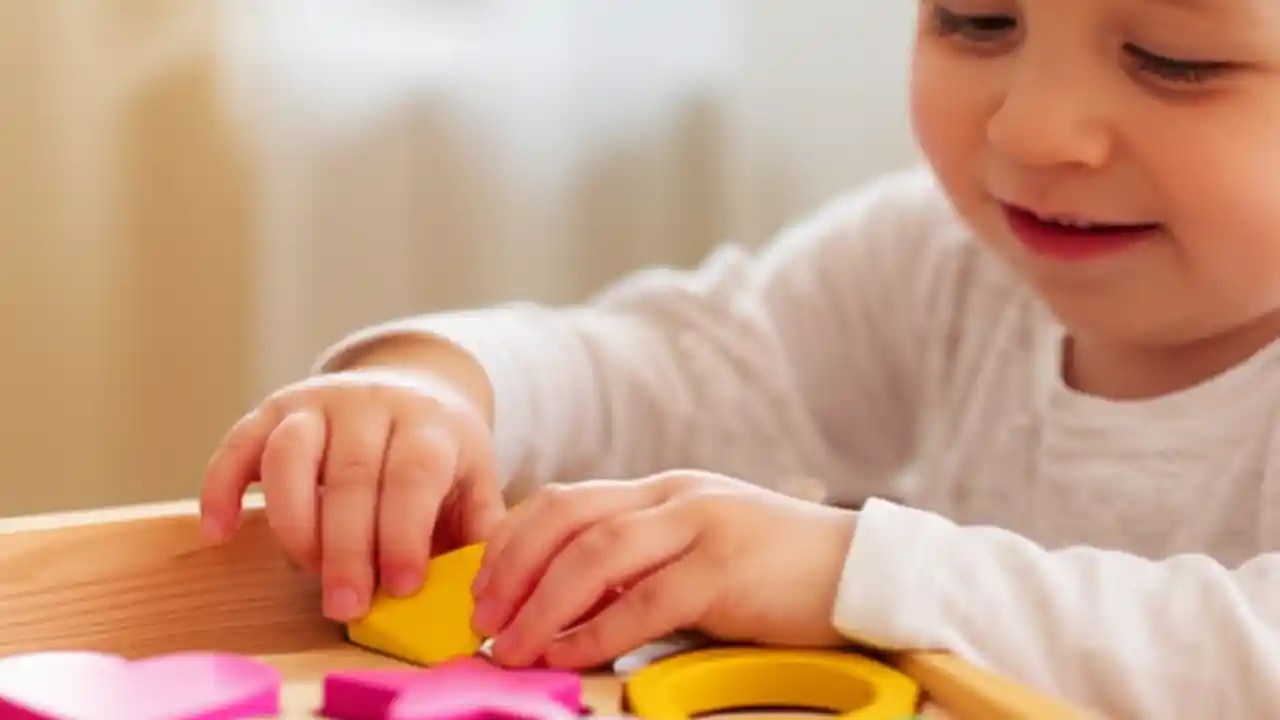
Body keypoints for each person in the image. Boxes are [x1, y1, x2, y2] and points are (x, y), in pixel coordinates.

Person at [198, 2, 1280, 717]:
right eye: (975, 18)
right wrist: (436, 385)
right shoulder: (945, 260)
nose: (1034, 129)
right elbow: (680, 363)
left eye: (1173, 60)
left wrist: (845, 570)